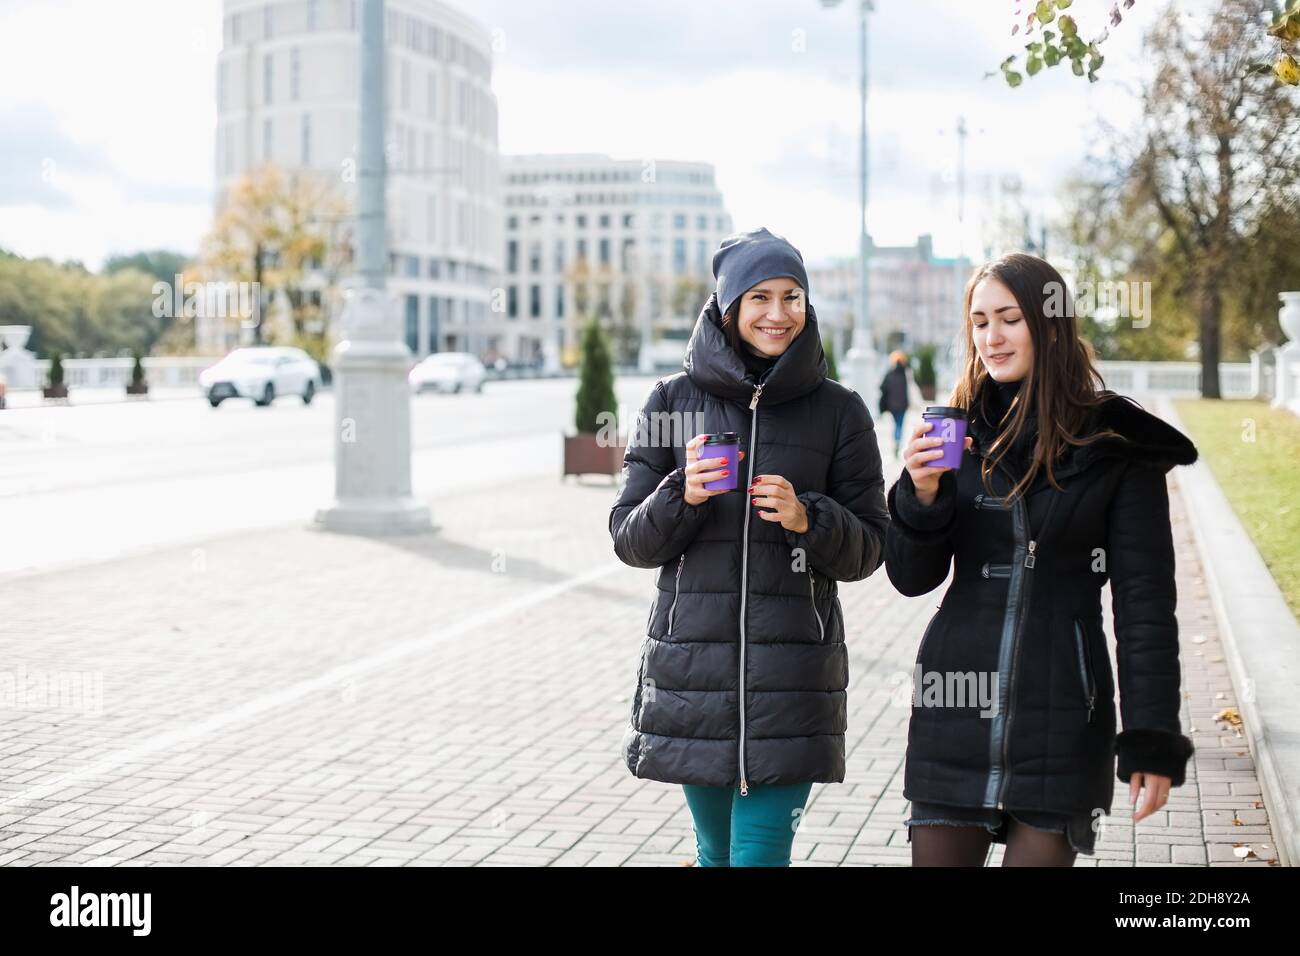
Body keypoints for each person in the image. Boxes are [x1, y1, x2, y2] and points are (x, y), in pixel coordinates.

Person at [886, 252, 1198, 866]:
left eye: (1009, 318)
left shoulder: (1117, 446)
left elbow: (1145, 606)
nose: (991, 338)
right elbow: (910, 578)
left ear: (1049, 322)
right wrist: (919, 496)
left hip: (1063, 721)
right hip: (954, 711)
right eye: (979, 322)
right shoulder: (959, 433)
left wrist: (1150, 739)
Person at [609, 227, 890, 867]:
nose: (778, 313)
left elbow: (871, 547)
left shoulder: (839, 412)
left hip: (792, 680)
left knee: (759, 854)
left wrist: (807, 516)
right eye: (759, 297)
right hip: (692, 677)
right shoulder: (671, 402)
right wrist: (682, 493)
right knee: (714, 854)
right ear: (728, 307)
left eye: (793, 296)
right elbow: (629, 539)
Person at [879, 350, 911, 459]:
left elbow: (882, 387)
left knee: (896, 425)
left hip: (892, 405)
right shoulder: (906, 373)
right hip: (903, 405)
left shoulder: (889, 373)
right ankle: (898, 441)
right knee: (900, 425)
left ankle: (896, 441)